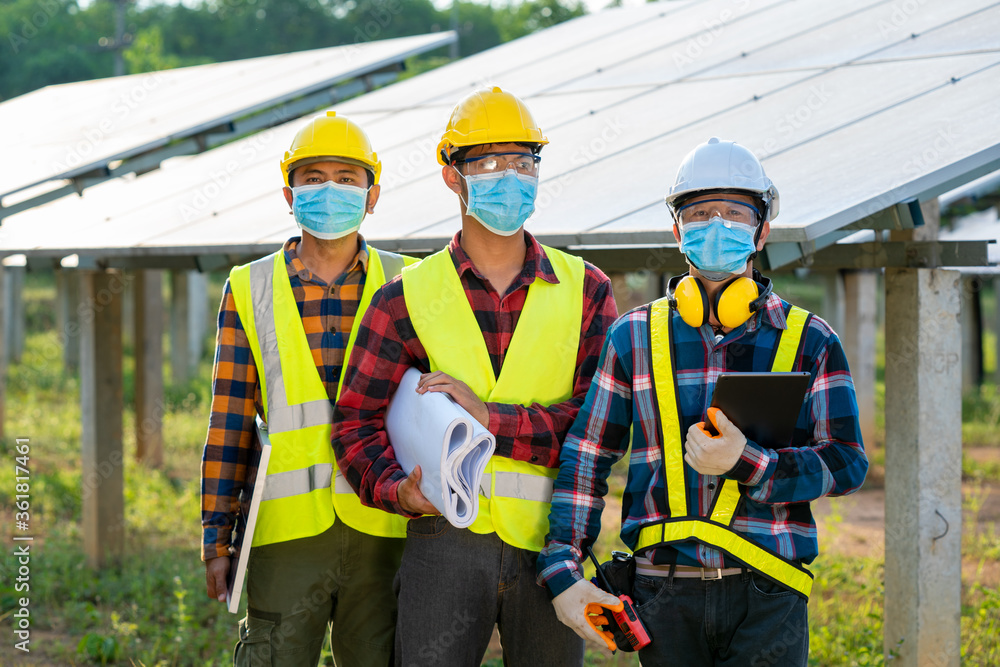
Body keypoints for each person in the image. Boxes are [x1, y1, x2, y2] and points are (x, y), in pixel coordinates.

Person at [537, 137, 869, 666]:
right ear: (677, 230)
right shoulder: (632, 337)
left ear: (761, 231)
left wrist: (749, 463)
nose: (717, 225)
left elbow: (848, 464)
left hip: (769, 592)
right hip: (661, 595)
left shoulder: (811, 339)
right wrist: (563, 568)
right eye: (700, 213)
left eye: (735, 213)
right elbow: (586, 458)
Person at [332, 87, 619, 666]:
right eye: (488, 163)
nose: (509, 178)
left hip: (553, 542)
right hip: (444, 541)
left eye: (523, 162)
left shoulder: (587, 288)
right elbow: (355, 422)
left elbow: (603, 427)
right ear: (451, 175)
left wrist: (492, 420)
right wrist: (399, 491)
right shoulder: (405, 297)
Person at [200, 111, 416, 667]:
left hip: (386, 521)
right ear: (288, 193)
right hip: (285, 530)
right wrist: (216, 537)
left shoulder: (414, 281)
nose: (329, 190)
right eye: (313, 176)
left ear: (372, 196)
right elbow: (229, 422)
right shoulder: (248, 287)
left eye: (347, 178)